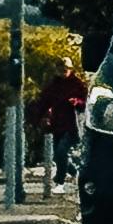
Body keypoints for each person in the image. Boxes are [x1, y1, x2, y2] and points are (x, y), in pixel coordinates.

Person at [38, 62, 87, 192]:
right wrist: (43, 116)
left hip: (73, 126)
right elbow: (44, 101)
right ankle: (74, 171)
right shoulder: (54, 85)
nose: (63, 72)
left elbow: (87, 102)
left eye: (65, 69)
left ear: (70, 70)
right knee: (58, 155)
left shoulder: (78, 84)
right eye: (60, 69)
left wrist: (77, 102)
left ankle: (60, 183)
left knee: (61, 151)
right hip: (57, 124)